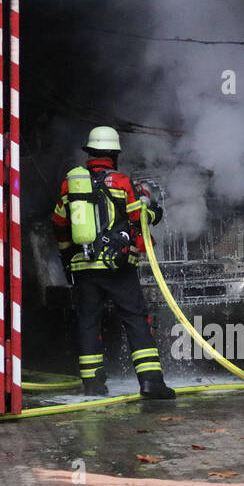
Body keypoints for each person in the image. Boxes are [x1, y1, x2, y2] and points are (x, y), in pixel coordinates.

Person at [52, 126, 174, 400]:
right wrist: (154, 211)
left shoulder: (69, 186)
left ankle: (93, 385)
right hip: (118, 268)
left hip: (83, 267)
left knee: (87, 322)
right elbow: (139, 218)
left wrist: (66, 255)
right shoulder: (122, 182)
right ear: (114, 154)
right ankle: (151, 383)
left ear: (90, 153)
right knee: (135, 319)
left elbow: (59, 223)